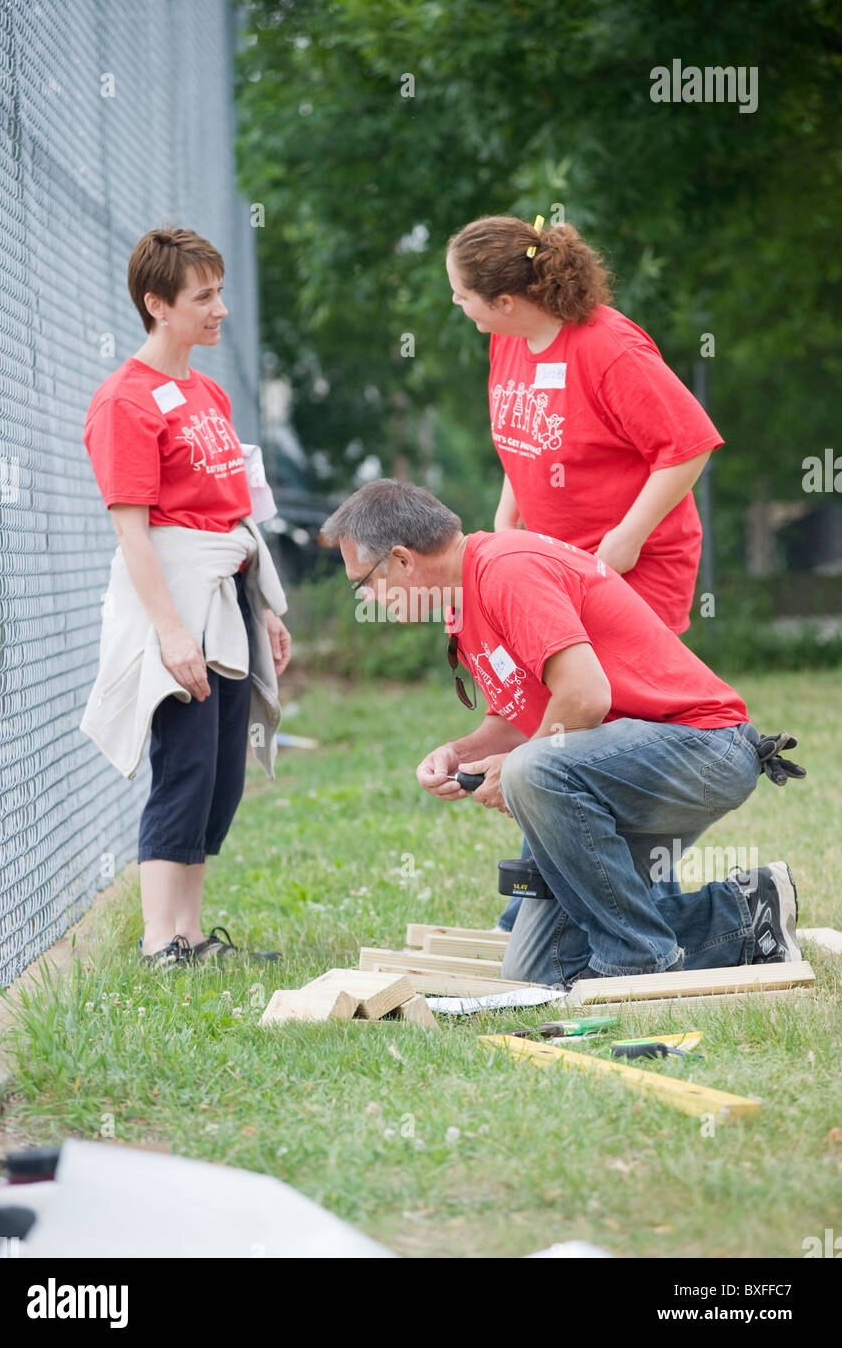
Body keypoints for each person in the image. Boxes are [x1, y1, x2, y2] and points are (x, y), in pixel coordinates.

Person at [322, 479, 805, 989]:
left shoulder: (505, 570)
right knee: (541, 971)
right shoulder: (464, 602)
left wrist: (518, 767)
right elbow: (522, 716)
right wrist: (458, 753)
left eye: (364, 582)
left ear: (401, 560)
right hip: (631, 765)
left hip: (704, 748)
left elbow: (585, 696)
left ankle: (640, 958)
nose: (367, 597)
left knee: (533, 770)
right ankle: (746, 916)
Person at [446, 215, 721, 929]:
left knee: (606, 720)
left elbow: (687, 445)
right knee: (557, 714)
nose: (456, 306)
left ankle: (626, 903)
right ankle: (567, 890)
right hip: (551, 563)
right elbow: (519, 442)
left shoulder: (607, 346)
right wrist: (509, 520)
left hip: (628, 565)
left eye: (461, 294)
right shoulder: (505, 340)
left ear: (506, 298)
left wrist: (626, 539)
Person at [80, 227, 291, 970]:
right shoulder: (124, 403)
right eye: (203, 297)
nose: (220, 310)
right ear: (157, 305)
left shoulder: (208, 392)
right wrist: (172, 634)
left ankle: (192, 934)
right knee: (186, 764)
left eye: (219, 292)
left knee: (223, 771)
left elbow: (233, 512)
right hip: (172, 598)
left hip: (227, 589)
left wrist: (261, 608)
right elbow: (135, 535)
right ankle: (159, 940)